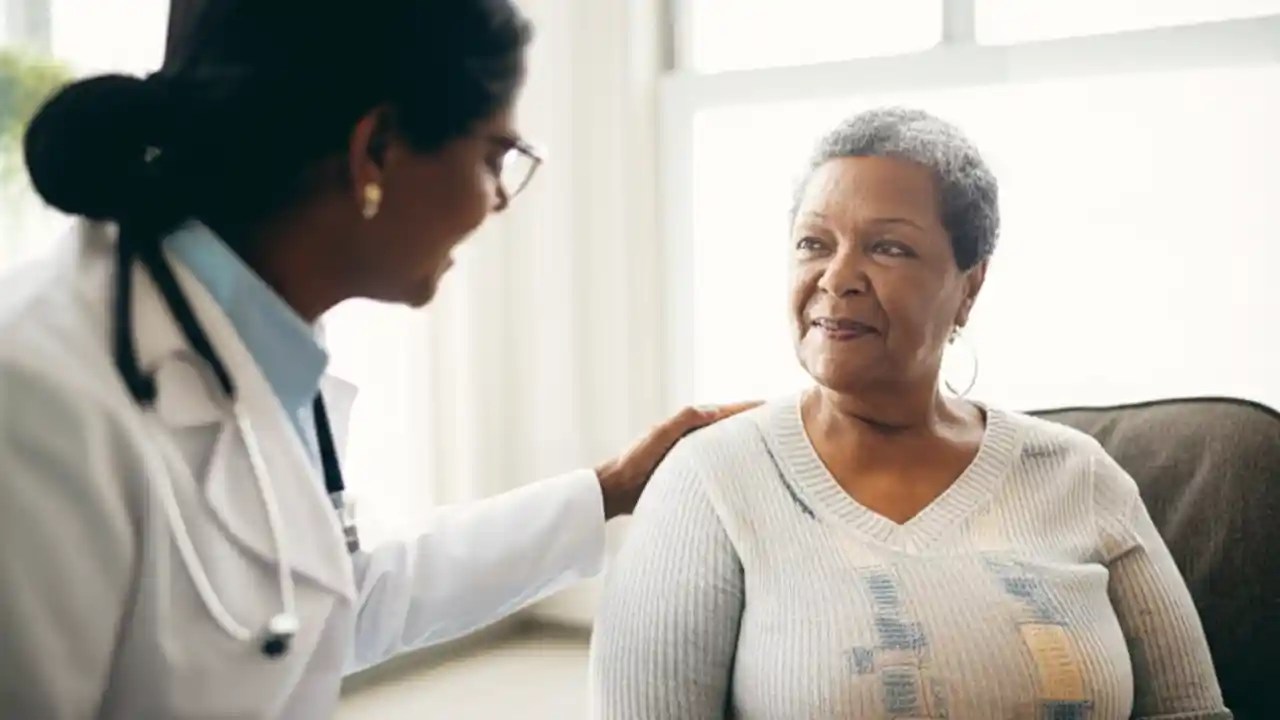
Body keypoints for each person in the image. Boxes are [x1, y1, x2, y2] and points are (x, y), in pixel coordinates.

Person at [0, 2, 755, 717]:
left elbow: (326, 606)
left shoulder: (261, 343)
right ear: (377, 151)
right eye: (496, 156)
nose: (496, 199)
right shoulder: (37, 394)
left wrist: (614, 489)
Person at [589, 107, 1230, 719]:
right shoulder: (712, 478)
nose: (838, 277)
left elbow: (1189, 710)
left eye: (888, 248)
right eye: (814, 242)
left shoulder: (1079, 475)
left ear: (969, 287)